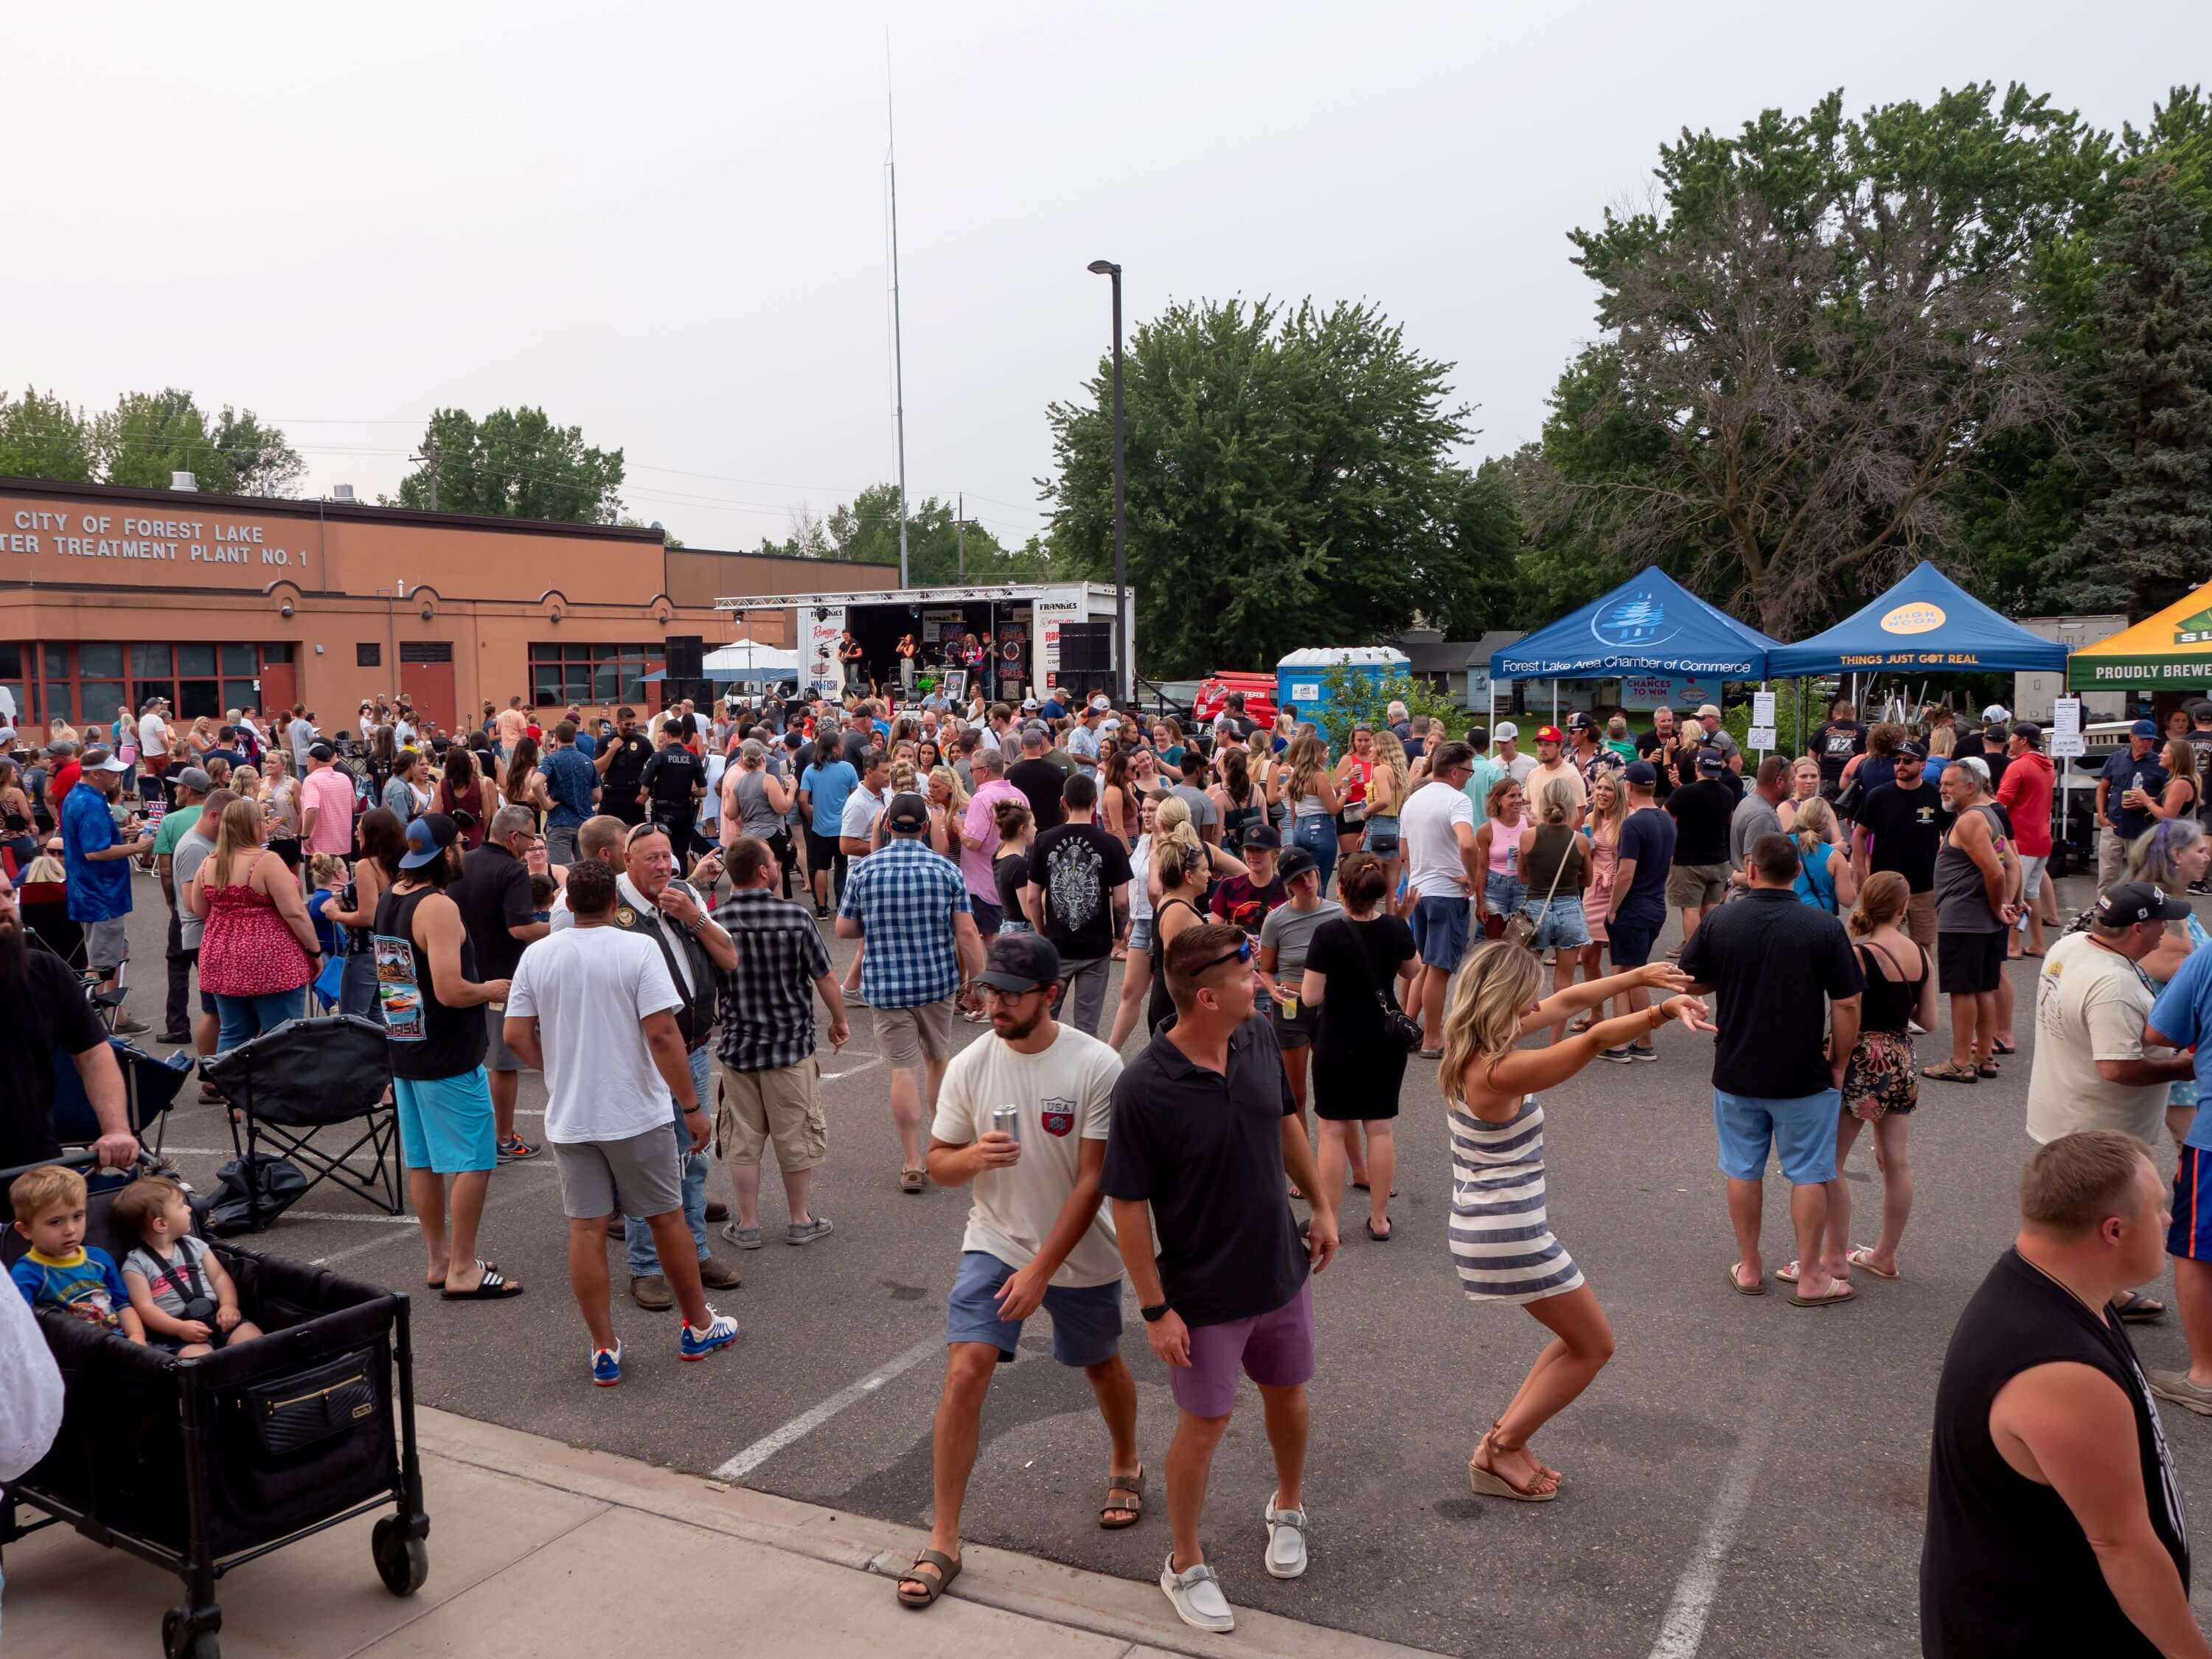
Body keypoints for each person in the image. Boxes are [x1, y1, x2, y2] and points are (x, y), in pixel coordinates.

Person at [1102, 922, 1338, 1634]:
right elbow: (1129, 1205)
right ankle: (1183, 1563)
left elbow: (1285, 1122)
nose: (1259, 980)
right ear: (1207, 997)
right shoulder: (1145, 1087)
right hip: (1203, 1293)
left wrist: (1322, 1204)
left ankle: (1287, 1506)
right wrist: (1154, 1309)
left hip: (1279, 1268)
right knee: (1204, 1424)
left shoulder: (1258, 1034)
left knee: (1289, 1398)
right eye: (1246, 973)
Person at [895, 933, 1137, 1610]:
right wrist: (972, 1158)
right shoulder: (973, 1063)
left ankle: (1126, 1459)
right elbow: (938, 1162)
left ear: (1050, 995)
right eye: (989, 990)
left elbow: (1093, 1184)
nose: (994, 1003)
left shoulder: (1097, 1065)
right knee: (966, 1368)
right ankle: (944, 1539)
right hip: (996, 1236)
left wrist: (1042, 1273)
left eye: (1010, 993)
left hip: (1079, 1246)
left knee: (1102, 1364)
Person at [1440, 942, 1708, 1500]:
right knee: (1593, 1346)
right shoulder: (1498, 1069)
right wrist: (1660, 1011)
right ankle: (1501, 1449)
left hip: (1492, 1225)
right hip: (1506, 1232)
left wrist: (1638, 974)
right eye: (1526, 994)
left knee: (1574, 1340)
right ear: (1506, 1000)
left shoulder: (1474, 1048)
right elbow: (1591, 1038)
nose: (1537, 1001)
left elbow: (1569, 1001)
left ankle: (1503, 1442)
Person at [1920, 1131, 2202, 1658]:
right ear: (2114, 1230)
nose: (2167, 1220)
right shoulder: (2060, 1370)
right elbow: (2122, 1547)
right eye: (2159, 1208)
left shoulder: (2059, 1290)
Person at [503, 858, 738, 1384]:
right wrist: (693, 1108)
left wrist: (558, 1067)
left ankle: (603, 1347)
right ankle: (699, 1326)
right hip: (636, 1111)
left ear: (567, 904)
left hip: (572, 1115)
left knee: (586, 1229)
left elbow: (517, 1036)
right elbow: (662, 1035)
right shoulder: (638, 949)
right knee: (666, 1218)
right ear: (614, 903)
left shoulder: (538, 956)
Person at [1679, 833, 1865, 1306]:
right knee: (1808, 1172)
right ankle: (1811, 1278)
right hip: (1804, 1072)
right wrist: (1839, 1062)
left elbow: (1692, 977)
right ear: (1799, 873)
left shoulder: (1722, 920)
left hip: (1737, 1065)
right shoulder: (1822, 927)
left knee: (1742, 1167)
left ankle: (1750, 1266)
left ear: (1751, 868)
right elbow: (1846, 1003)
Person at [370, 813, 521, 1301]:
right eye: (458, 844)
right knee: (474, 1159)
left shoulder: (391, 897)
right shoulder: (436, 907)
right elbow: (451, 990)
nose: (465, 850)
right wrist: (492, 989)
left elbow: (397, 985)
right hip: (446, 1051)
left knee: (424, 1161)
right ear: (442, 854)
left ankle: (440, 1260)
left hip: (407, 1045)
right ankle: (461, 1269)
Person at [603, 824, 744, 1307]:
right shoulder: (608, 908)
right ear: (626, 860)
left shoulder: (684, 895)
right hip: (639, 1057)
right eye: (652, 859)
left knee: (694, 1157)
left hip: (695, 1047)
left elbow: (729, 958)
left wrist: (695, 918)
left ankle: (695, 1254)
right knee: (649, 1164)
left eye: (667, 857)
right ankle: (646, 1268)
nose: (663, 866)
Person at [838, 792, 987, 1192]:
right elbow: (967, 932)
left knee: (902, 1070)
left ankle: (912, 1161)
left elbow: (844, 928)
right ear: (924, 827)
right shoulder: (945, 870)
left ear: (887, 827)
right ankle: (945, 1147)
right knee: (938, 1060)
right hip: (936, 981)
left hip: (886, 985)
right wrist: (981, 981)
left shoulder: (865, 870)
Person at [711, 835, 846, 1249]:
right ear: (764, 871)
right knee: (796, 1136)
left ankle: (748, 1224)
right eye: (772, 860)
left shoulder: (716, 924)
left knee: (743, 1140)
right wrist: (839, 1019)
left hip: (739, 1046)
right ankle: (799, 1219)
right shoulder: (795, 917)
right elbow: (824, 975)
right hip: (790, 1046)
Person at [1820, 872, 1935, 1283]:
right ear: (1904, 909)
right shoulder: (1922, 955)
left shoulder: (1858, 954)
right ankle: (1885, 1254)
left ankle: (1833, 1255)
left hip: (1862, 1056)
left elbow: (1846, 1009)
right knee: (1895, 1161)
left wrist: (1836, 1056)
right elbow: (1930, 1020)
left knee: (1831, 1161)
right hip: (1902, 1056)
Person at [1301, 852, 1415, 1239]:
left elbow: (1311, 996)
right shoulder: (1397, 928)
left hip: (1337, 1037)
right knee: (1379, 1128)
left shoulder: (1328, 935)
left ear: (1343, 890)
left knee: (1332, 1129)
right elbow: (1413, 971)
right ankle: (1380, 1219)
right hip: (1383, 1041)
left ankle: (1329, 1220)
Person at [453, 805, 550, 1164]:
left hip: (462, 972)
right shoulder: (512, 869)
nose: (531, 847)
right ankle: (504, 1138)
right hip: (500, 977)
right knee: (503, 1063)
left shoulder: (465, 860)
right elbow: (520, 928)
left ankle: (476, 1133)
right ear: (514, 837)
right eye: (529, 838)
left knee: (470, 1058)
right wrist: (564, 927)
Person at [184, 796, 319, 1053]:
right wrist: (313, 951)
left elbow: (200, 908)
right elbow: (295, 913)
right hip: (270, 956)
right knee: (281, 1033)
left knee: (234, 1031)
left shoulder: (209, 862)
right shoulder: (266, 861)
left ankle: (234, 1090)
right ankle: (277, 1091)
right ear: (254, 825)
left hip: (221, 954)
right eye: (263, 821)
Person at [1922, 759, 2021, 1086]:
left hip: (1964, 918)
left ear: (1970, 785)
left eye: (1949, 784)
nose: (1942, 789)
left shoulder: (1971, 821)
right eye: (1942, 783)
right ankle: (1983, 1057)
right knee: (1983, 986)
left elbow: (1996, 870)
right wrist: (2009, 903)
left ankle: (1962, 1061)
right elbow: (2012, 863)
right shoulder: (1990, 814)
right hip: (1980, 919)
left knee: (1963, 990)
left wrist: (1998, 906)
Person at [1024, 774, 1133, 1037]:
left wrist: (1041, 931)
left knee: (1046, 1019)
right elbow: (1120, 901)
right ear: (1095, 801)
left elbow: (1032, 898)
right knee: (1086, 1026)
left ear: (1064, 802)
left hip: (1057, 943)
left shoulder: (1044, 840)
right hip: (1095, 947)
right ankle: (1084, 1077)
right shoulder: (1111, 843)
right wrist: (1119, 935)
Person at [115, 1176, 263, 1357]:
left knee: (253, 1339)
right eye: (180, 1206)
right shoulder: (136, 1265)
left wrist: (229, 1305)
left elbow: (219, 1277)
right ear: (161, 1224)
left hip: (217, 1315)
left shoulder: (195, 1246)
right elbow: (146, 1309)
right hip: (176, 1329)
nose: (189, 1208)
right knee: (196, 1362)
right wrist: (179, 1328)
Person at [60, 744, 151, 1028]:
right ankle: (111, 1020)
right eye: (112, 772)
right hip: (102, 894)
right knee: (107, 963)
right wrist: (140, 845)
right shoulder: (91, 802)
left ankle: (115, 1016)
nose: (117, 777)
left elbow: (89, 843)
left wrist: (121, 832)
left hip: (90, 891)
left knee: (102, 958)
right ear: (96, 773)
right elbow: (95, 852)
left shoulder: (79, 797)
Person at [1400, 742, 1482, 1051]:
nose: (1469, 778)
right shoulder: (1457, 801)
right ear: (1455, 771)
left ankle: (1409, 1026)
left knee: (1424, 963)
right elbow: (1467, 844)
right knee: (1440, 967)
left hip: (1420, 888)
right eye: (1468, 772)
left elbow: (1404, 848)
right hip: (1446, 891)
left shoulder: (1414, 799)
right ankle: (1432, 1038)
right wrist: (1472, 877)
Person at [8, 1165, 145, 1343]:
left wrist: (137, 1336)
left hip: (118, 1344)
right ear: (25, 1230)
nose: (70, 1230)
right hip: (72, 1356)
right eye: (55, 1222)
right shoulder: (27, 1273)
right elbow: (23, 1327)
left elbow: (122, 1304)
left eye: (78, 1216)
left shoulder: (99, 1258)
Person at [1851, 740, 1945, 953]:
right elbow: (1859, 835)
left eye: (1907, 760)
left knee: (1922, 945)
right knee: (1881, 944)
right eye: (1897, 760)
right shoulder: (1879, 795)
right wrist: (1862, 874)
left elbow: (1951, 834)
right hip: (1885, 885)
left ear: (1923, 765)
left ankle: (1922, 985)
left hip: (1924, 886)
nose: (1900, 764)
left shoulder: (1935, 796)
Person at [153, 765, 213, 1043]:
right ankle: (216, 1020)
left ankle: (178, 1027)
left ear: (188, 790)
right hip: (212, 904)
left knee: (177, 964)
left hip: (183, 906)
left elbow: (165, 870)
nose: (174, 790)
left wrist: (171, 901)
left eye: (178, 786)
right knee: (209, 966)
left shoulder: (171, 821)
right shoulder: (213, 818)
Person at [1663, 748, 1736, 952]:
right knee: (1712, 907)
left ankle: (1693, 952)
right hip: (1719, 859)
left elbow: (1665, 817)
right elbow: (1729, 818)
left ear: (1697, 767)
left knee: (1691, 908)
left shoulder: (1683, 793)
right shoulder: (1727, 793)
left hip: (1688, 860)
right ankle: (1714, 950)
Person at [1997, 721, 2058, 956]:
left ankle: (2013, 946)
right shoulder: (2047, 766)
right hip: (2041, 838)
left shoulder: (2019, 766)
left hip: (2020, 839)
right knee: (2031, 892)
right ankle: (2038, 944)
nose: (2009, 741)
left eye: (2012, 737)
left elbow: (2003, 801)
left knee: (2015, 894)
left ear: (2023, 740)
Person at [956, 745, 1023, 937]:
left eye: (972, 770)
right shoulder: (1020, 795)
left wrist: (959, 827)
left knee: (989, 940)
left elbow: (972, 842)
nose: (971, 774)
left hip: (983, 884)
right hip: (1010, 881)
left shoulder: (981, 799)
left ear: (984, 771)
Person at [2098, 720, 2169, 888]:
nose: (2147, 743)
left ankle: (2137, 912)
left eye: (2150, 740)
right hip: (2113, 826)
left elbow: (2168, 796)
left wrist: (2147, 801)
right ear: (2132, 737)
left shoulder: (2160, 763)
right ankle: (2102, 911)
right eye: (2143, 739)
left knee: (2140, 878)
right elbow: (2102, 788)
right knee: (2107, 877)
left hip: (2142, 829)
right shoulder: (2116, 758)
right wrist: (2101, 816)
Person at [797, 732, 859, 917]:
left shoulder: (810, 770)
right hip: (844, 828)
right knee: (842, 867)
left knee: (821, 868)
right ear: (834, 748)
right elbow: (855, 797)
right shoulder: (848, 769)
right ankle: (842, 905)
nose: (843, 748)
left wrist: (810, 817)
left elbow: (802, 799)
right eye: (841, 745)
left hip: (820, 828)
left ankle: (822, 908)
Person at [641, 724, 708, 869]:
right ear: (682, 733)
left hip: (662, 811)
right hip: (684, 812)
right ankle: (682, 882)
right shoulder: (693, 758)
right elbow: (703, 792)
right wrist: (687, 792)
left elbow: (644, 790)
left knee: (659, 850)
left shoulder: (658, 757)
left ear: (667, 734)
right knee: (681, 852)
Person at [1727, 756, 1790, 888]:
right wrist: (1735, 876)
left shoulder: (1749, 801)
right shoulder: (1762, 816)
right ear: (1779, 782)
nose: (1794, 785)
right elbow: (1753, 873)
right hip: (1754, 900)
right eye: (1792, 780)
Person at [1787, 797, 1857, 914]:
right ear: (1825, 824)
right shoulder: (1834, 857)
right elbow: (1847, 900)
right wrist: (1853, 876)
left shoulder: (1782, 845)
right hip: (1820, 918)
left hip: (1786, 914)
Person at [1810, 698, 1865, 802]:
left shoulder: (1823, 729)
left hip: (1827, 778)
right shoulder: (1862, 730)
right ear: (1852, 713)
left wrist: (1815, 772)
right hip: (1851, 779)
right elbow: (1869, 754)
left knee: (1827, 811)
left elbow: (1812, 753)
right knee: (1850, 810)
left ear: (1834, 713)